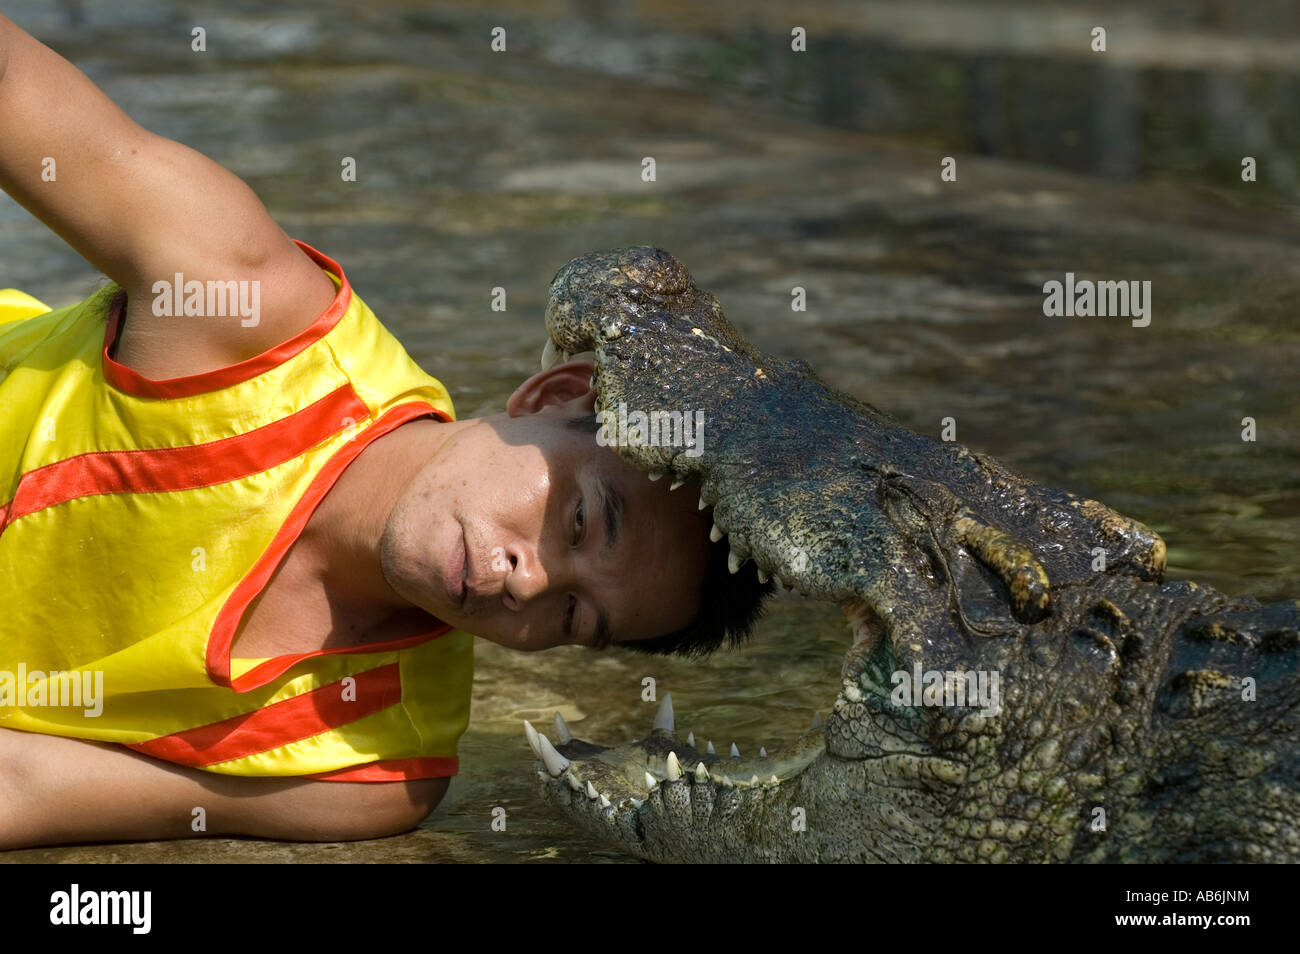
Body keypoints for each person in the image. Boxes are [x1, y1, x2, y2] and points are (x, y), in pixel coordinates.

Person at [0, 13, 770, 849]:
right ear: (554, 392)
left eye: (574, 618)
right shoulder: (246, 307)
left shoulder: (370, 771)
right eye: (578, 521)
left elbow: (20, 786)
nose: (528, 584)